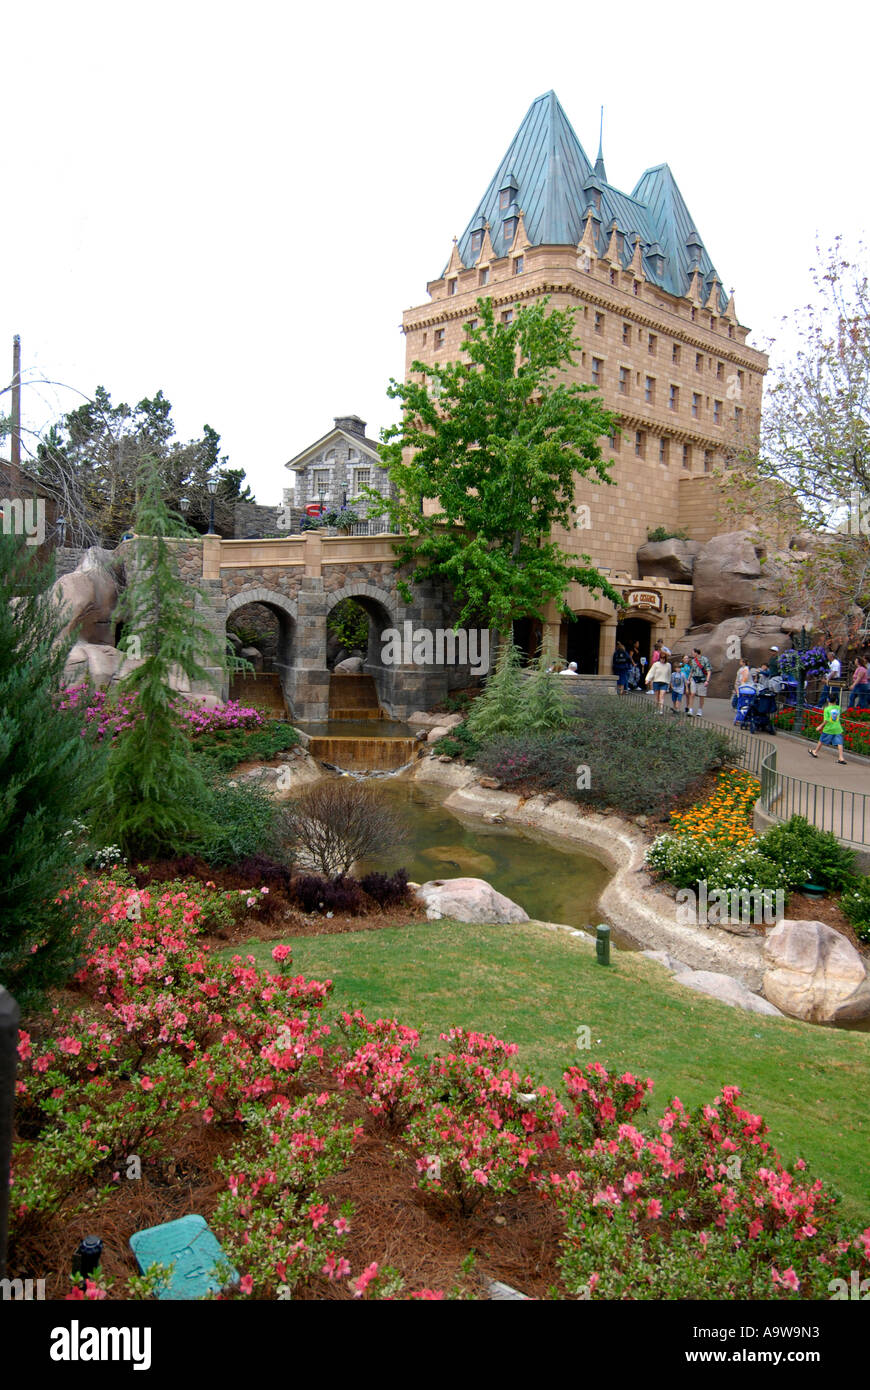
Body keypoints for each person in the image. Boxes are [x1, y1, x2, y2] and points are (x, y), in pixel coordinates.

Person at [810, 699, 847, 765]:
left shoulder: (827, 709)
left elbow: (826, 720)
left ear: (828, 700)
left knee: (821, 740)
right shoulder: (838, 708)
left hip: (829, 728)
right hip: (837, 728)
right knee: (839, 743)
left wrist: (820, 726)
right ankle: (841, 758)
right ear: (836, 700)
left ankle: (815, 751)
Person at [686, 648, 712, 717]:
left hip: (702, 679)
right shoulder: (693, 661)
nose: (692, 654)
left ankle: (700, 710)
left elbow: (709, 670)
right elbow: (692, 671)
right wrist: (688, 679)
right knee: (692, 694)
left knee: (701, 696)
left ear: (696, 653)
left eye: (693, 653)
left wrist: (707, 680)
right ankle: (690, 709)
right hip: (694, 679)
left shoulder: (705, 659)